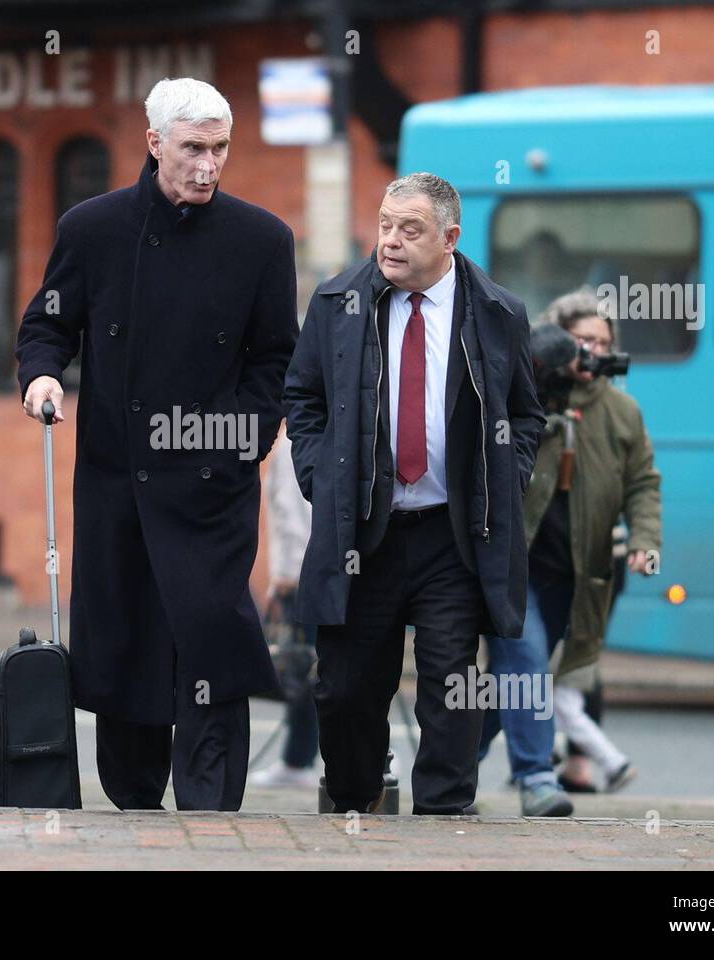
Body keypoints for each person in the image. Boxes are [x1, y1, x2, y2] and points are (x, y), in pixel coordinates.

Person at [15, 77, 297, 812]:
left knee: (210, 626)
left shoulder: (262, 239)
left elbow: (275, 358)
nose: (207, 165)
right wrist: (42, 379)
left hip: (213, 476)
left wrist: (246, 438)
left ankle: (209, 798)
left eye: (220, 148)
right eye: (193, 148)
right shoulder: (93, 228)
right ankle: (133, 789)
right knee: (126, 625)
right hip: (118, 475)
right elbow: (48, 323)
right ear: (154, 145)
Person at [284, 172, 545, 816]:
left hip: (450, 534)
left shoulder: (498, 313)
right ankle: (355, 801)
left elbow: (528, 414)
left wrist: (502, 481)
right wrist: (322, 477)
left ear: (450, 238)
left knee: (451, 682)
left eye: (411, 230)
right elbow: (304, 398)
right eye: (384, 225)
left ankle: (444, 814)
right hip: (361, 533)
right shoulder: (336, 303)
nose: (390, 243)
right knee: (344, 691)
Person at [479, 287, 662, 804]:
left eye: (602, 343)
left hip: (576, 578)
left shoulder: (622, 412)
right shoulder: (527, 394)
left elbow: (643, 483)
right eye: (581, 341)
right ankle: (537, 777)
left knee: (512, 679)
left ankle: (452, 768)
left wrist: (646, 541)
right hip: (518, 568)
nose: (593, 352)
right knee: (529, 661)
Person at [251, 424, 320, 789]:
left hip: (303, 575)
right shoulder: (297, 436)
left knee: (302, 668)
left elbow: (294, 517)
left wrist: (284, 577)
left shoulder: (296, 439)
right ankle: (298, 758)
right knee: (307, 667)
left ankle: (297, 759)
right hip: (308, 572)